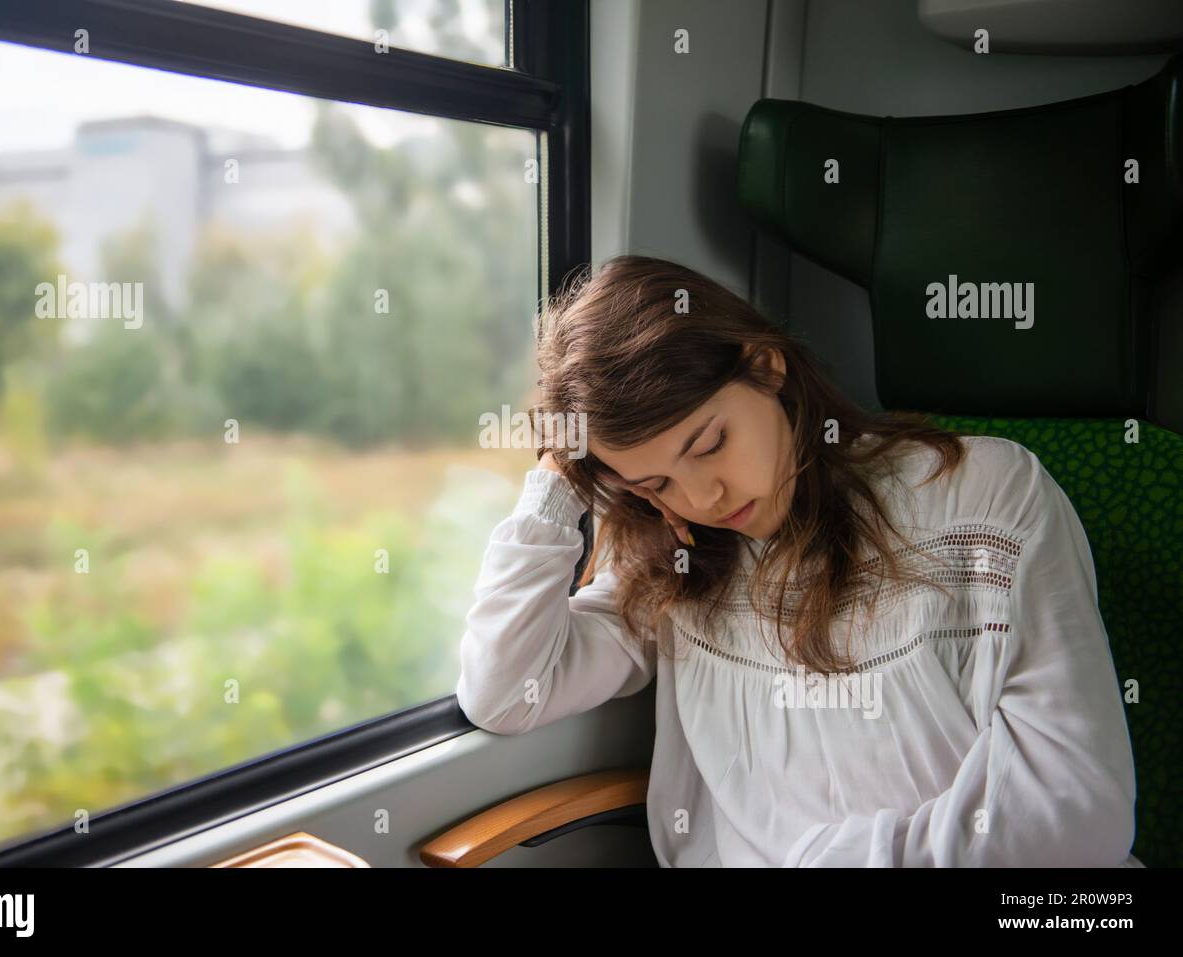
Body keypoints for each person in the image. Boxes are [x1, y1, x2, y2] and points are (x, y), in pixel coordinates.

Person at [455, 254, 1140, 867]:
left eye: (709, 442)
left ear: (766, 366)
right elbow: (507, 689)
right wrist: (559, 476)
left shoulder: (987, 497)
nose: (701, 496)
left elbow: (1078, 809)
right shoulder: (677, 562)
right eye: (655, 483)